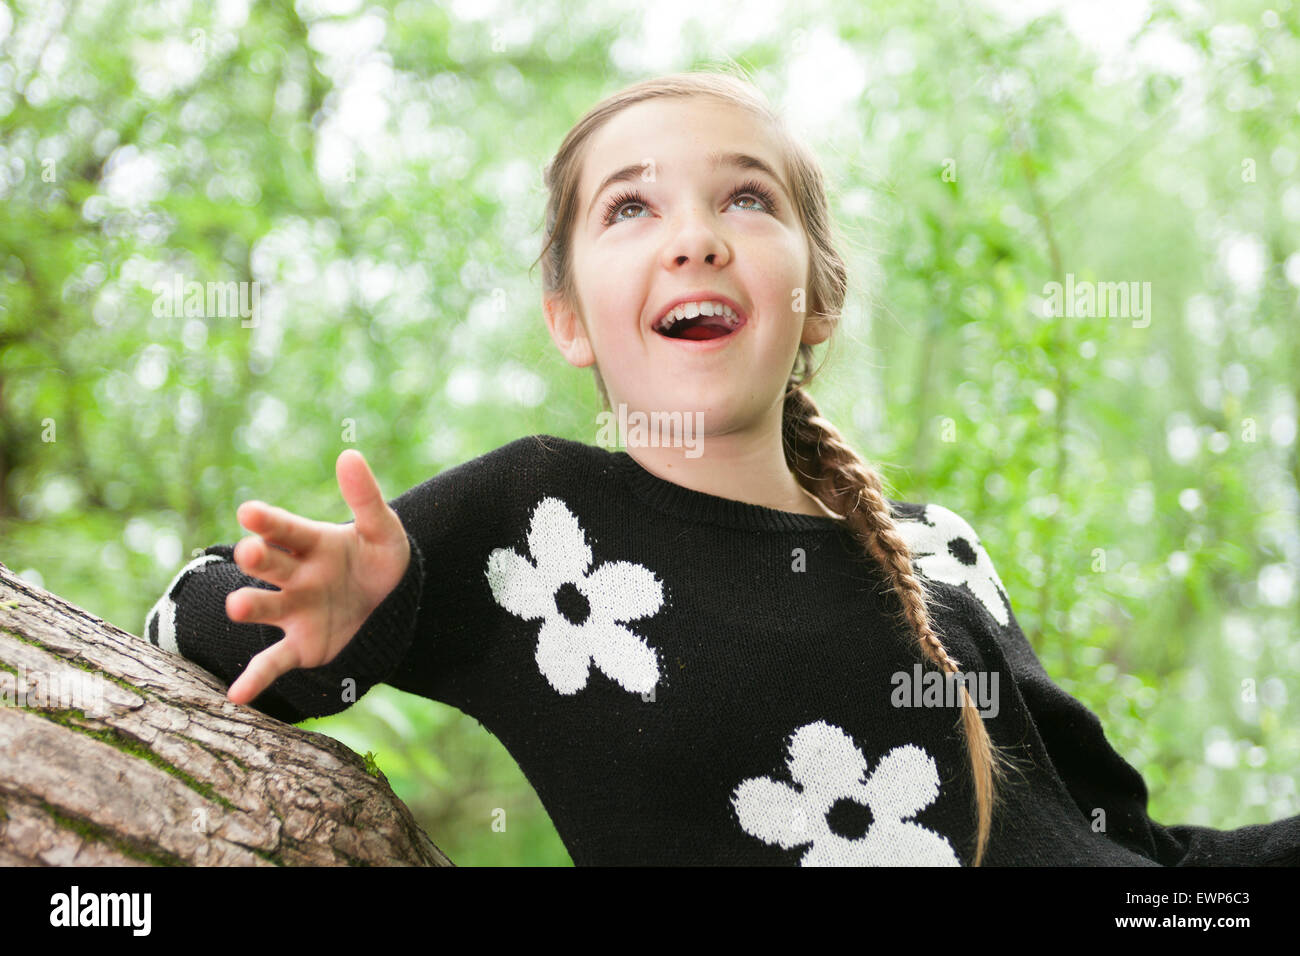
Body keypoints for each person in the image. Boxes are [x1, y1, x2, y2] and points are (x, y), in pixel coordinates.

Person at [144, 69, 1299, 867]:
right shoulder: (536, 526)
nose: (694, 234)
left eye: (746, 197)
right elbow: (186, 629)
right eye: (630, 205)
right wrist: (358, 607)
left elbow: (1136, 853)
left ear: (818, 297)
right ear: (569, 317)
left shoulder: (940, 548)